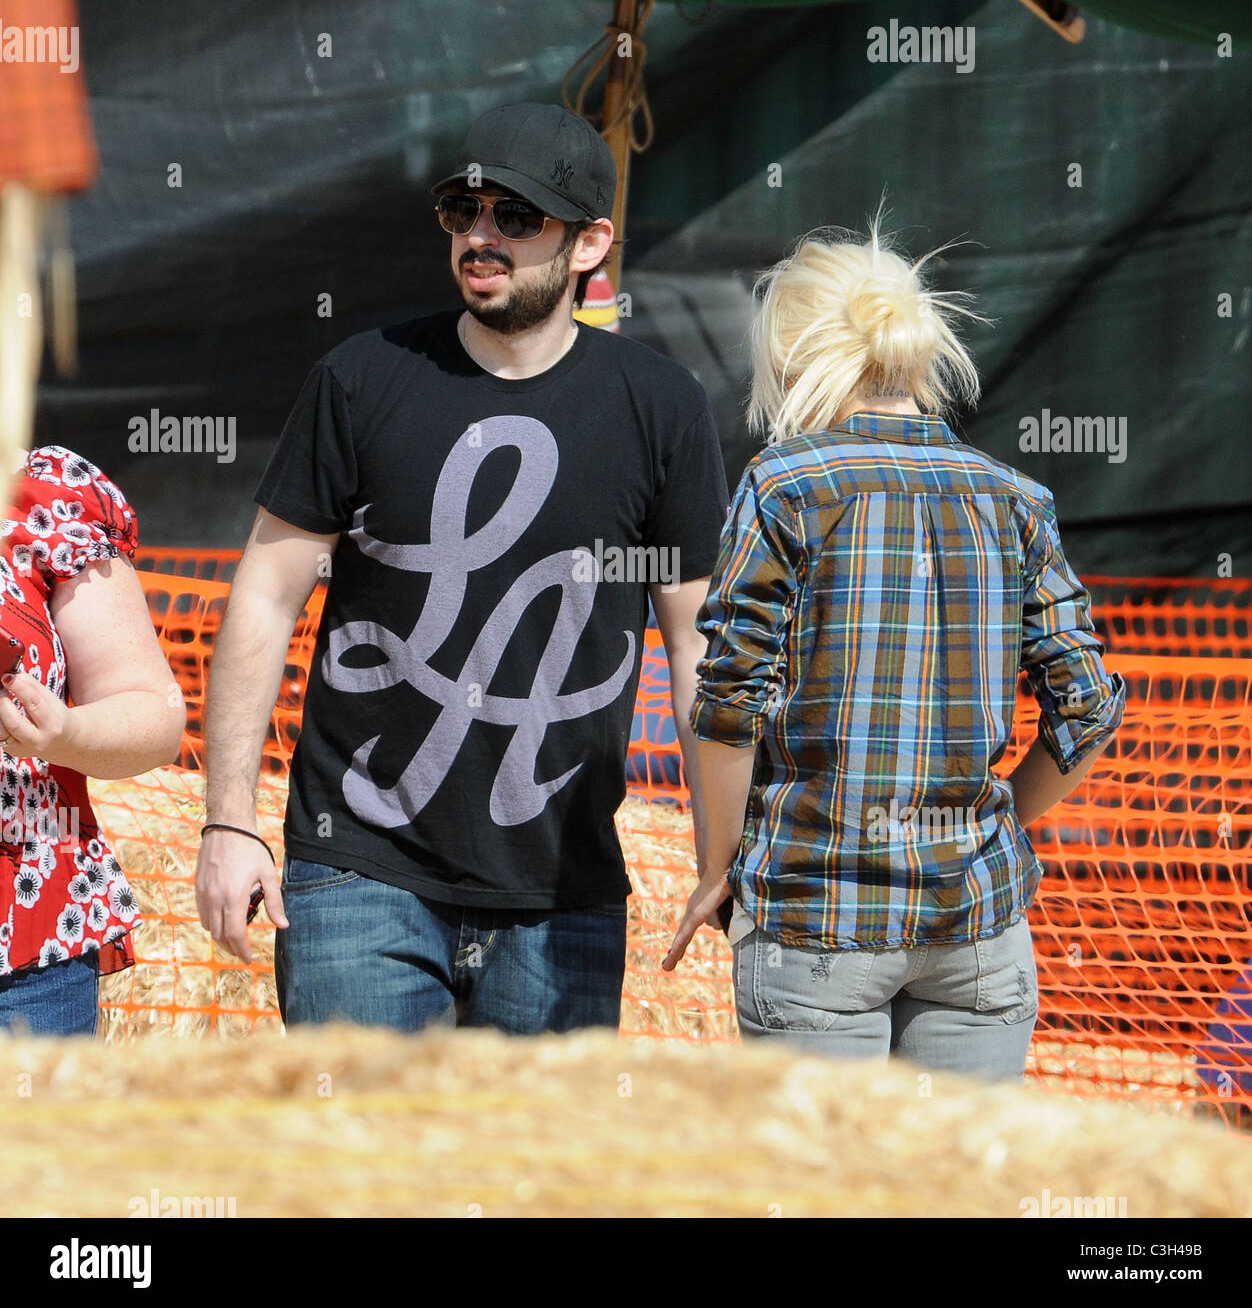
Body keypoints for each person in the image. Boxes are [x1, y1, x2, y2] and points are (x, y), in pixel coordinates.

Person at [197, 102, 729, 1034]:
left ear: (591, 242)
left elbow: (697, 646)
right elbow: (266, 596)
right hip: (356, 870)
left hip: (564, 894)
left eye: (516, 218)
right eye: (462, 210)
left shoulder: (662, 407)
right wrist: (227, 823)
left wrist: (721, 851)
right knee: (360, 1167)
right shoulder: (361, 378)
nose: (481, 237)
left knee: (530, 1182)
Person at [663, 222, 1126, 1082]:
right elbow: (1090, 709)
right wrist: (987, 830)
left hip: (814, 923)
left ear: (794, 359)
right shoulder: (1014, 497)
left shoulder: (785, 483)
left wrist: (716, 870)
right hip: (979, 934)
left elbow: (728, 703)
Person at [0, 445, 186, 1036]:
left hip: (24, 949)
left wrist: (64, 732)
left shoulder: (44, 492)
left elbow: (153, 715)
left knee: (34, 1132)